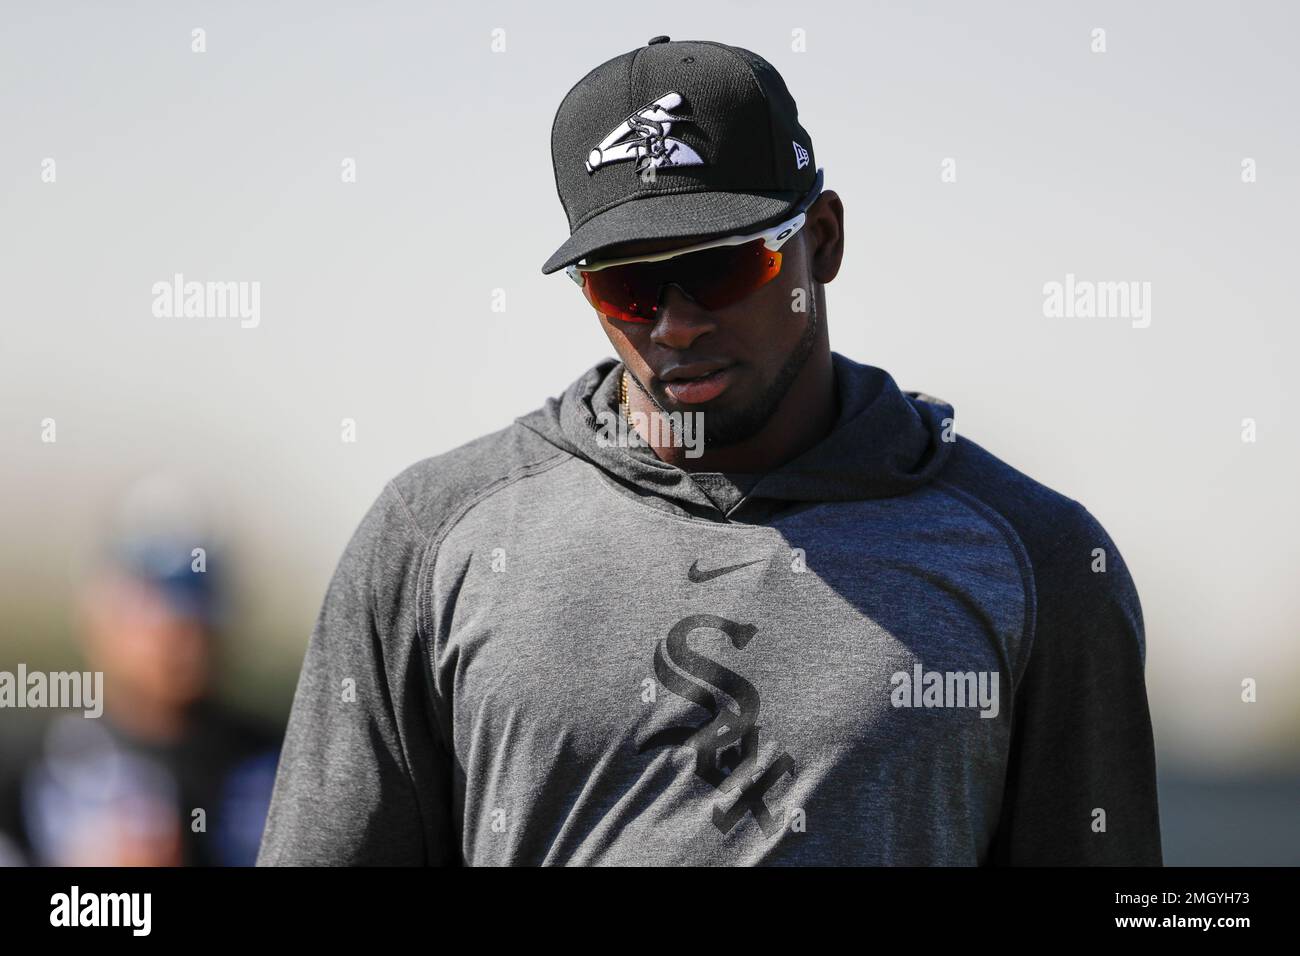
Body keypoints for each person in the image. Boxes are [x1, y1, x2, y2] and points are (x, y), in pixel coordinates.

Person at [258, 37, 1161, 866]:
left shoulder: (1037, 559)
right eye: (628, 286)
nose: (678, 323)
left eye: (725, 266)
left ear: (824, 240)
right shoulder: (429, 540)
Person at [0, 480, 278, 866]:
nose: (176, 634)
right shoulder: (32, 770)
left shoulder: (276, 766)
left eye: (194, 607)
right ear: (96, 616)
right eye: (154, 608)